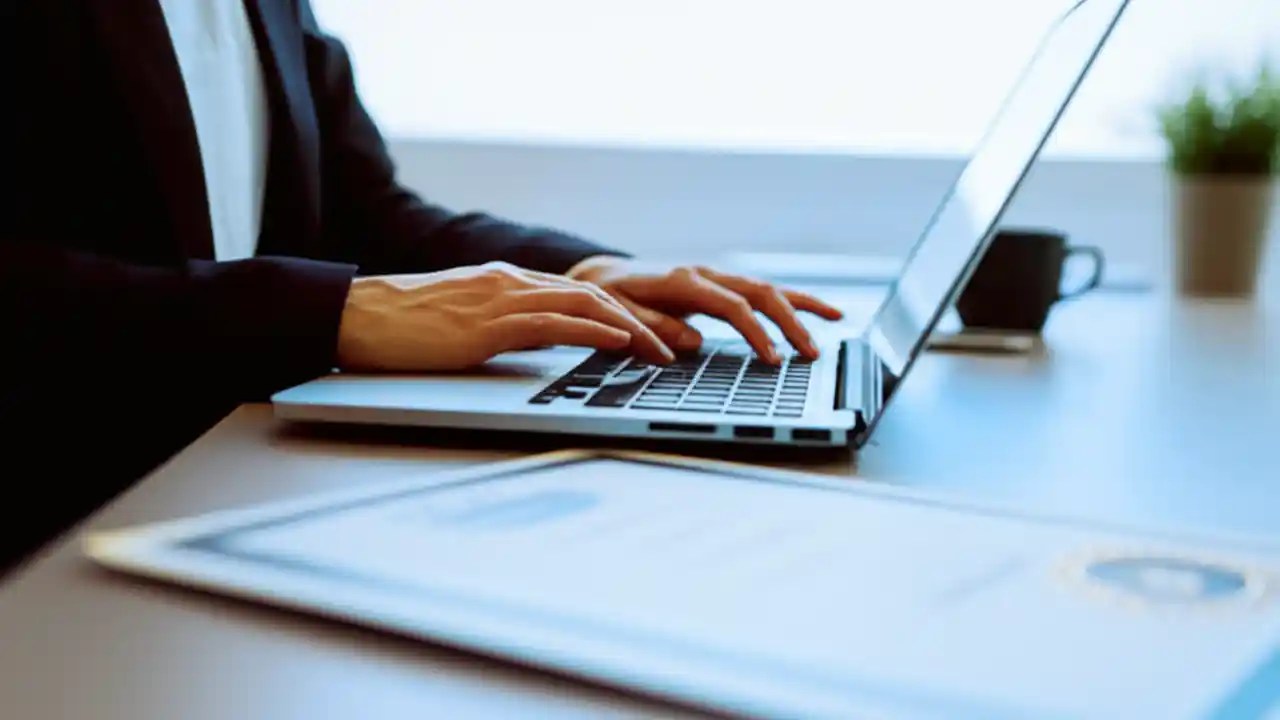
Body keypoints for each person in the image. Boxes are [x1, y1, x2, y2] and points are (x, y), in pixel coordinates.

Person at [0, 0, 842, 572]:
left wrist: (587, 274)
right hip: (52, 527)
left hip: (224, 500)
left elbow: (363, 211)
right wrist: (330, 314)